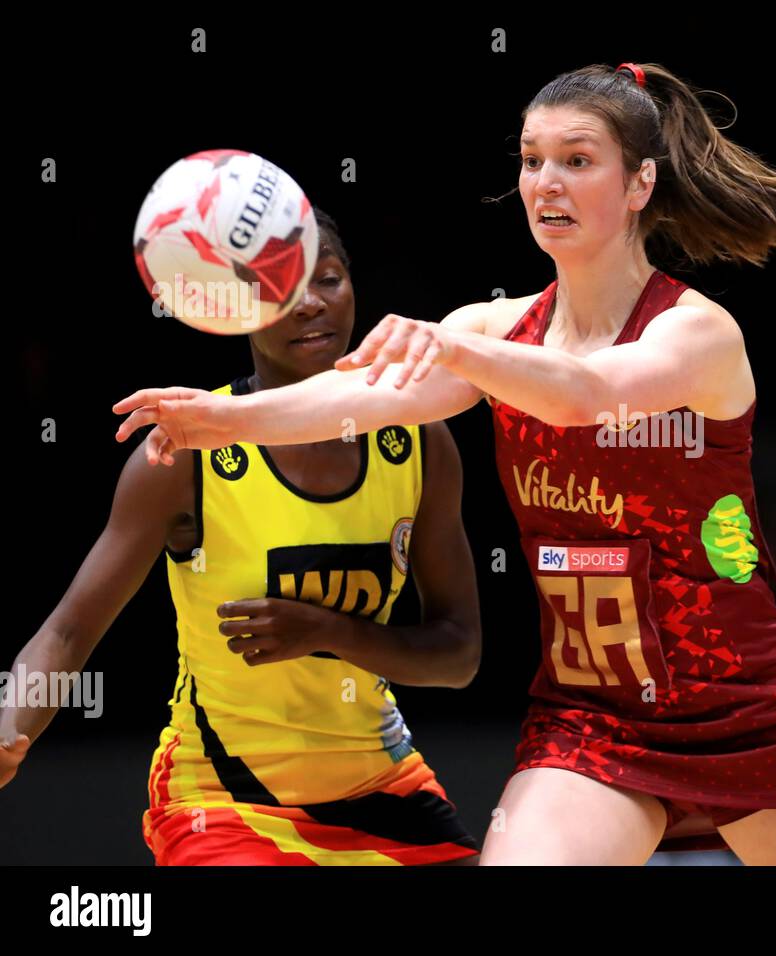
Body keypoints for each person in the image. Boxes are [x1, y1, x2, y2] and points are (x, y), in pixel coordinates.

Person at [112, 63, 776, 864]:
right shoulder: (495, 328)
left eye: (577, 160)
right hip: (595, 725)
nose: (546, 182)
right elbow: (362, 400)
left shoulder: (697, 333)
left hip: (750, 709)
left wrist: (455, 346)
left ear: (639, 184)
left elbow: (584, 394)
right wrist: (218, 418)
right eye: (531, 159)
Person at [1, 212, 483, 865]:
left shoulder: (416, 439)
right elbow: (67, 630)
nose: (311, 301)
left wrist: (328, 631)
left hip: (383, 789)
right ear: (232, 311)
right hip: (222, 800)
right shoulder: (186, 455)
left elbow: (459, 655)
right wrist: (10, 730)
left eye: (330, 279)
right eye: (278, 290)